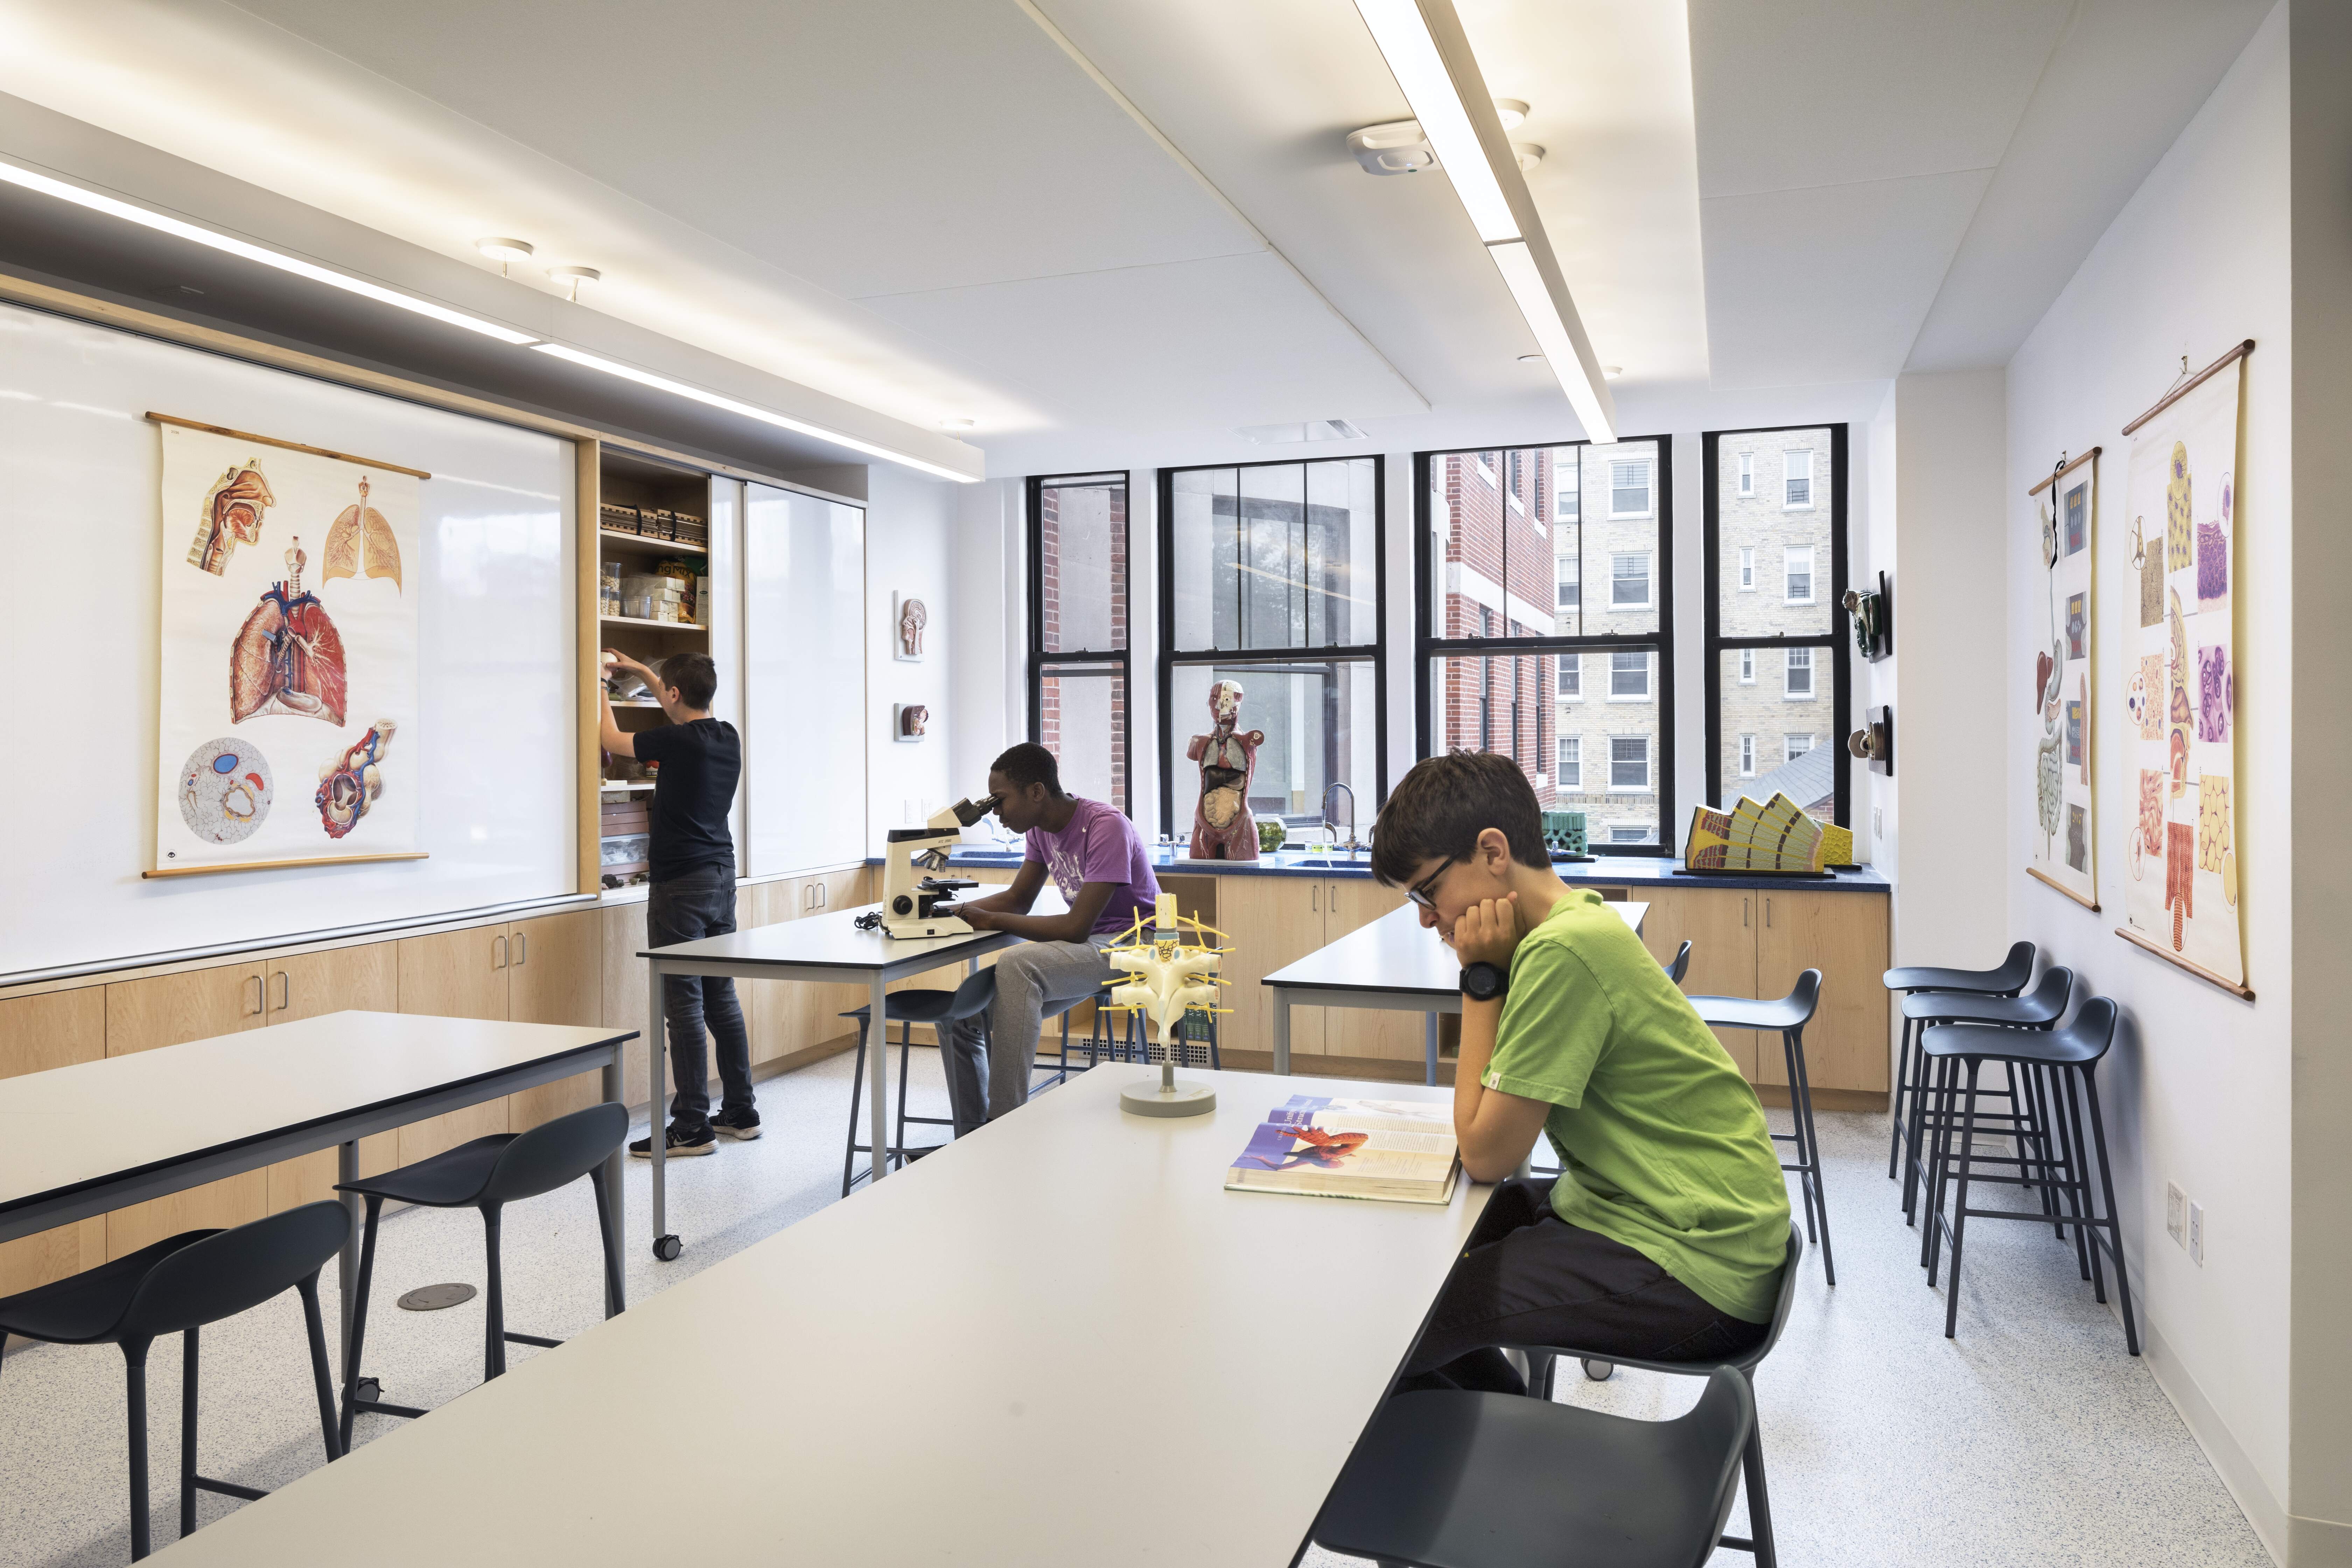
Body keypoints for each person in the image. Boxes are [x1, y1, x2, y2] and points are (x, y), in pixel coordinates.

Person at [1370, 752, 1790, 1392]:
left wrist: (1480, 981)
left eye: (1427, 891)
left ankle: (1506, 1440)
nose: (1427, 916)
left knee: (1405, 1318)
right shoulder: (1576, 923)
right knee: (1429, 1251)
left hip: (1696, 1262)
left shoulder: (1562, 952)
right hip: (1667, 1214)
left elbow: (1486, 1154)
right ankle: (1502, 1425)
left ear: (1492, 852)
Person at [943, 743, 1159, 1135]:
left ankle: (1003, 1127)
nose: (996, 811)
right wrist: (949, 913)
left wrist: (990, 919)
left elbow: (1076, 928)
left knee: (1018, 964)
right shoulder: (1039, 831)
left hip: (1134, 942)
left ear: (1037, 792)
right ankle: (970, 1136)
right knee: (961, 1014)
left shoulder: (1106, 826)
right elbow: (1017, 899)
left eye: (1000, 800)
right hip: (1090, 946)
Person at [598, 649, 757, 1158]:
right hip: (721, 879)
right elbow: (675, 701)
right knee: (720, 997)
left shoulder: (676, 740)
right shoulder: (726, 735)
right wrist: (644, 672)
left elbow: (611, 740)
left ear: (673, 694)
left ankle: (691, 1125)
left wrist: (600, 683)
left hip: (680, 885)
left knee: (683, 1004)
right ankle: (740, 1111)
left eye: (664, 688)